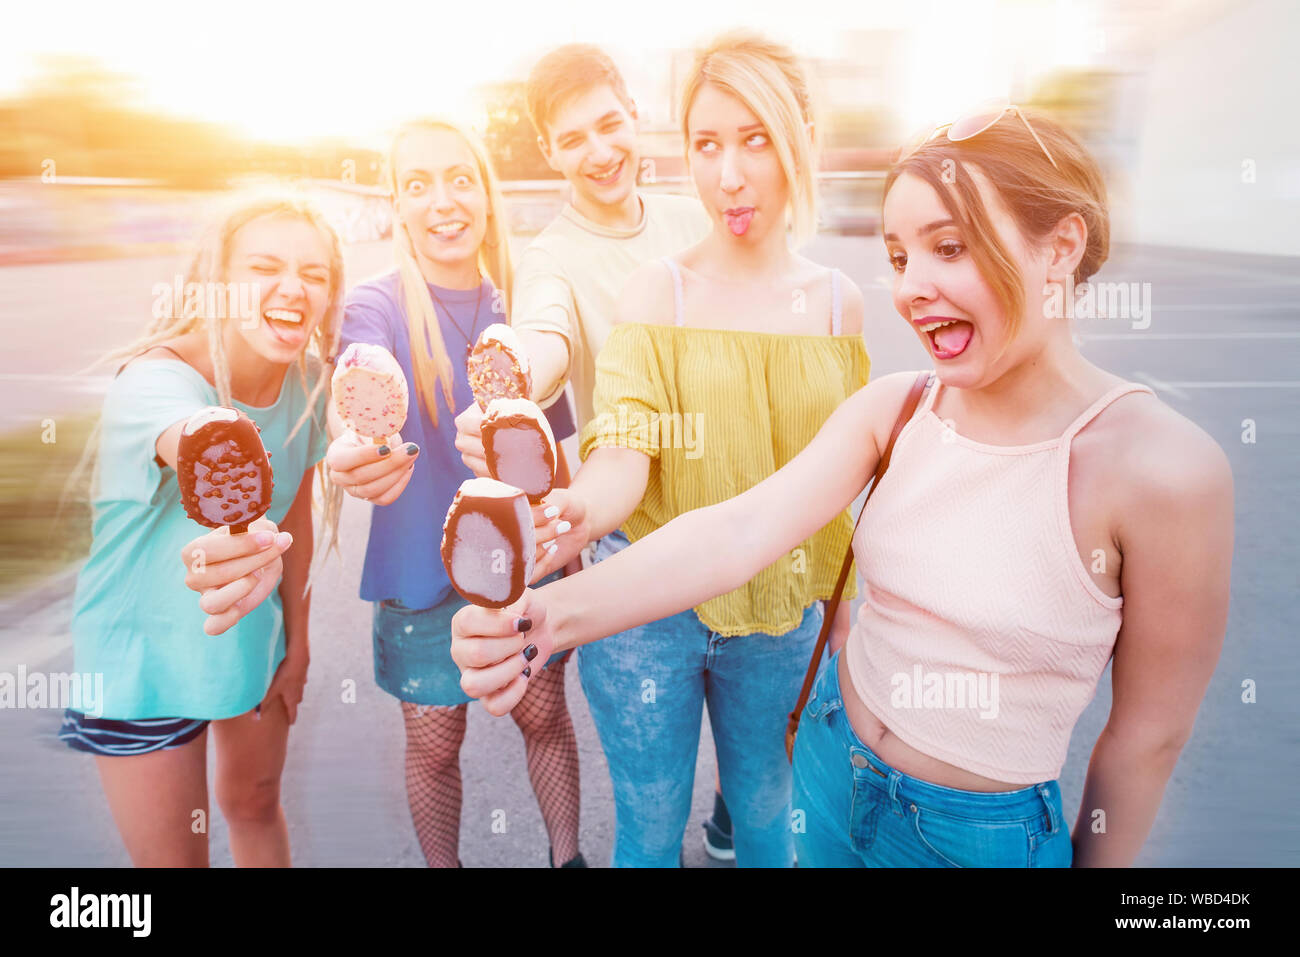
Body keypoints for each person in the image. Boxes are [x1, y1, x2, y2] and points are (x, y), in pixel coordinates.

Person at [450, 106, 1234, 868]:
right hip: (830, 769)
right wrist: (545, 615)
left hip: (974, 838)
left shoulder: (1165, 470)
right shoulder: (895, 408)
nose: (913, 288)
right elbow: (736, 532)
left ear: (1062, 244)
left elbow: (1147, 737)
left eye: (950, 247)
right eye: (898, 257)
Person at [519, 32, 870, 867]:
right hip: (647, 608)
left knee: (765, 819)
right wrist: (574, 512)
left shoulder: (837, 305)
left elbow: (836, 487)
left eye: (754, 139)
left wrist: (843, 614)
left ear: (800, 140)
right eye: (707, 144)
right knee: (647, 830)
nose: (728, 174)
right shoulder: (659, 288)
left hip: (780, 614)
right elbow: (625, 450)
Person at [453, 43, 731, 851]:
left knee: (764, 766)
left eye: (610, 125)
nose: (599, 152)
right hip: (630, 544)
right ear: (548, 151)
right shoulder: (550, 257)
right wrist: (514, 374)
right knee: (648, 810)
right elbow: (546, 336)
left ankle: (731, 820)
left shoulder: (696, 216)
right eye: (572, 139)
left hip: (739, 525)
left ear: (634, 118)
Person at [323, 118, 585, 868]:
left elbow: (552, 447)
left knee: (545, 720)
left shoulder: (520, 315)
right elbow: (360, 370)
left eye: (460, 177)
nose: (443, 200)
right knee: (435, 747)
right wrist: (358, 433)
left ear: (487, 194)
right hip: (421, 577)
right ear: (396, 205)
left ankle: (568, 858)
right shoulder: (374, 304)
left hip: (524, 569)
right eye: (418, 184)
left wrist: (569, 541)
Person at [59, 191, 341, 866]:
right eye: (264, 267)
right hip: (142, 664)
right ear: (218, 284)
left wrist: (297, 645)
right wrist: (223, 443)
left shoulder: (309, 383)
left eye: (315, 273)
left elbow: (295, 512)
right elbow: (204, 438)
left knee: (253, 807)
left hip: (249, 644)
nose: (292, 288)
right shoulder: (152, 381)